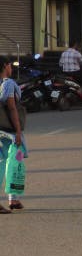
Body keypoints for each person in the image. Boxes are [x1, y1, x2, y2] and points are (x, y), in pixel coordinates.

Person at [0, 55, 25, 212]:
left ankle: (14, 199)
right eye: (9, 65)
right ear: (5, 66)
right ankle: (12, 198)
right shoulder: (8, 84)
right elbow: (11, 107)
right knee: (9, 162)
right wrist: (18, 131)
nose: (11, 68)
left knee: (12, 163)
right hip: (7, 131)